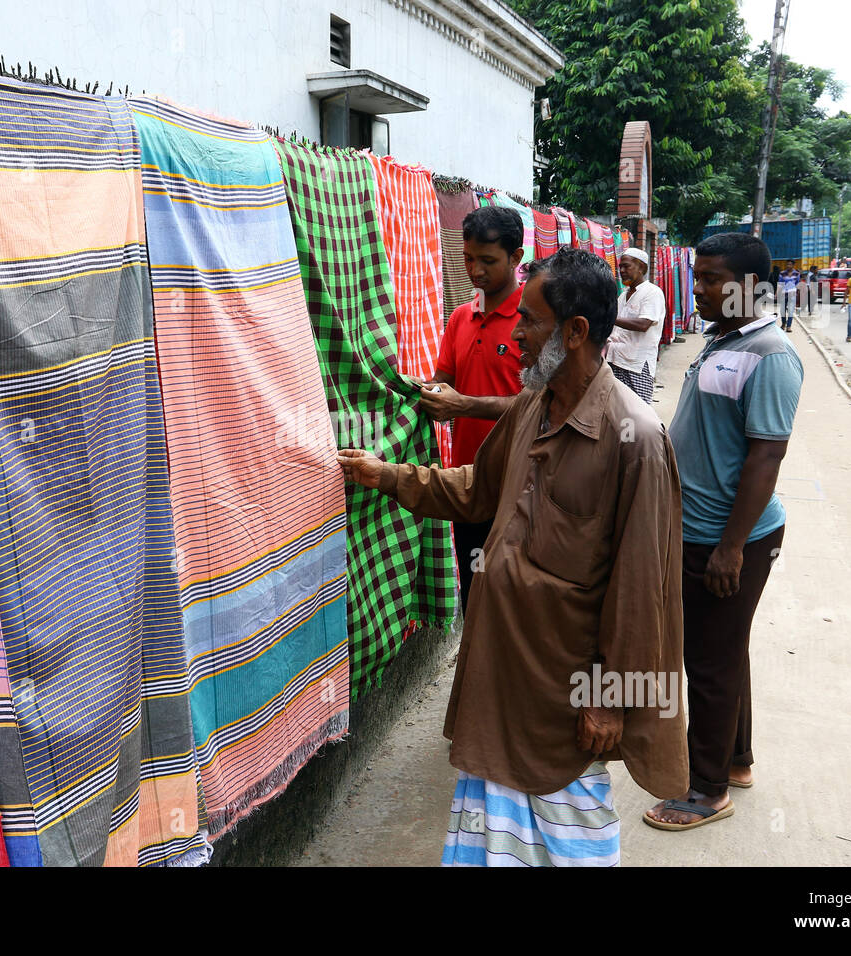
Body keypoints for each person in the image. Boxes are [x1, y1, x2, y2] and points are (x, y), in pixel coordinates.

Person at [340, 248, 688, 865]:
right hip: (502, 669)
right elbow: (479, 490)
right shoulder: (533, 404)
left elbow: (644, 588)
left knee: (571, 837)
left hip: (565, 689)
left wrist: (611, 695)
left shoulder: (636, 437)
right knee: (492, 832)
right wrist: (388, 476)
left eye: (528, 322)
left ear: (576, 332)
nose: (515, 336)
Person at [645, 231, 803, 832]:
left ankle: (705, 790)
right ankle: (735, 760)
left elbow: (766, 458)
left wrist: (730, 547)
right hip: (696, 529)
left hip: (727, 537)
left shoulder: (772, 356)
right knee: (723, 649)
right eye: (699, 276)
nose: (700, 289)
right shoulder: (721, 340)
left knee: (707, 662)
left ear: (748, 287)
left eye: (711, 279)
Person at [417, 205, 525, 614]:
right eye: (468, 259)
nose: (475, 270)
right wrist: (417, 389)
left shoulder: (532, 321)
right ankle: (478, 675)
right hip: (468, 482)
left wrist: (463, 405)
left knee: (513, 598)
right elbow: (444, 381)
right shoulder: (461, 318)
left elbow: (543, 405)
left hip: (519, 484)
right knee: (475, 594)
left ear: (516, 258)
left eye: (487, 260)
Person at [607, 247, 665, 404]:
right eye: (620, 267)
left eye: (627, 266)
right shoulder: (623, 295)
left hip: (636, 365)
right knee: (616, 409)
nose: (622, 270)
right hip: (615, 360)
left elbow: (644, 324)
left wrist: (609, 317)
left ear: (641, 268)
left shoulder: (652, 293)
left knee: (637, 413)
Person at [777, 261, 801, 331]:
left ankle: (789, 326)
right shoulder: (782, 273)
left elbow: (797, 283)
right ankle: (783, 324)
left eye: (790, 264)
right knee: (782, 310)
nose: (788, 266)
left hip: (792, 294)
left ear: (793, 265)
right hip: (783, 293)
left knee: (791, 310)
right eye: (787, 264)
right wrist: (777, 293)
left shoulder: (797, 274)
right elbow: (780, 284)